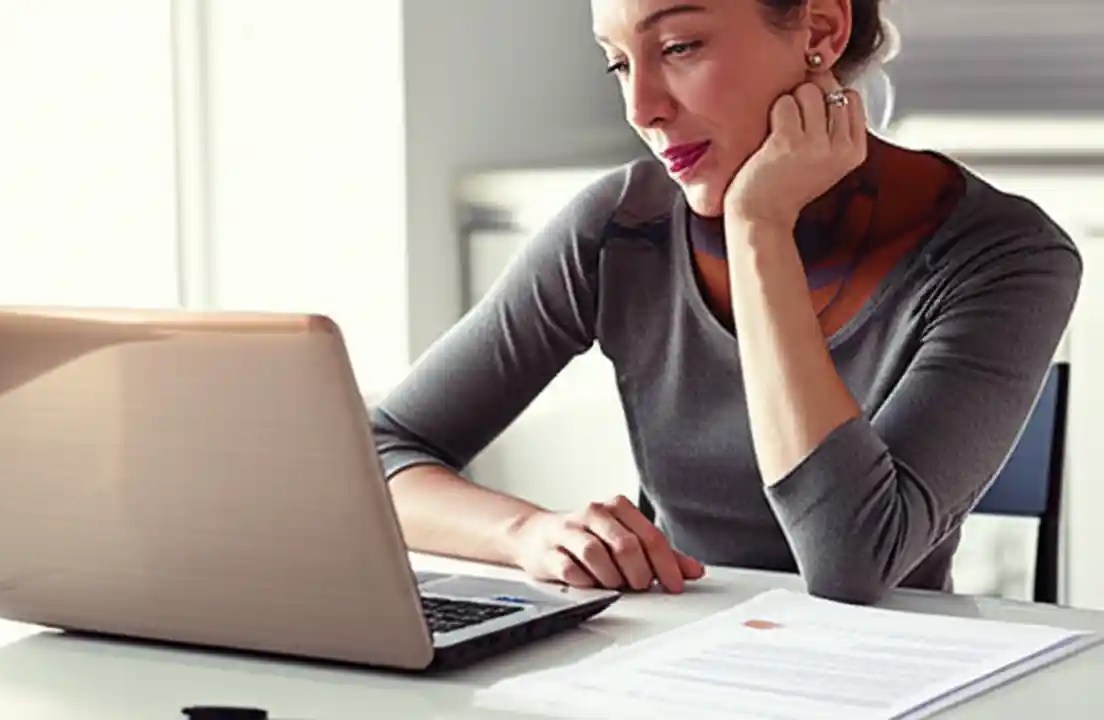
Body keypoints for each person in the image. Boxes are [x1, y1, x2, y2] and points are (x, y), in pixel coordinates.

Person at [371, 0, 1082, 604]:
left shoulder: (1008, 258)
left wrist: (759, 227)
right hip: (671, 665)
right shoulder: (620, 227)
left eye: (679, 47)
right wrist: (525, 533)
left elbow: (850, 565)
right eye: (618, 63)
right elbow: (378, 451)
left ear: (821, 32)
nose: (640, 107)